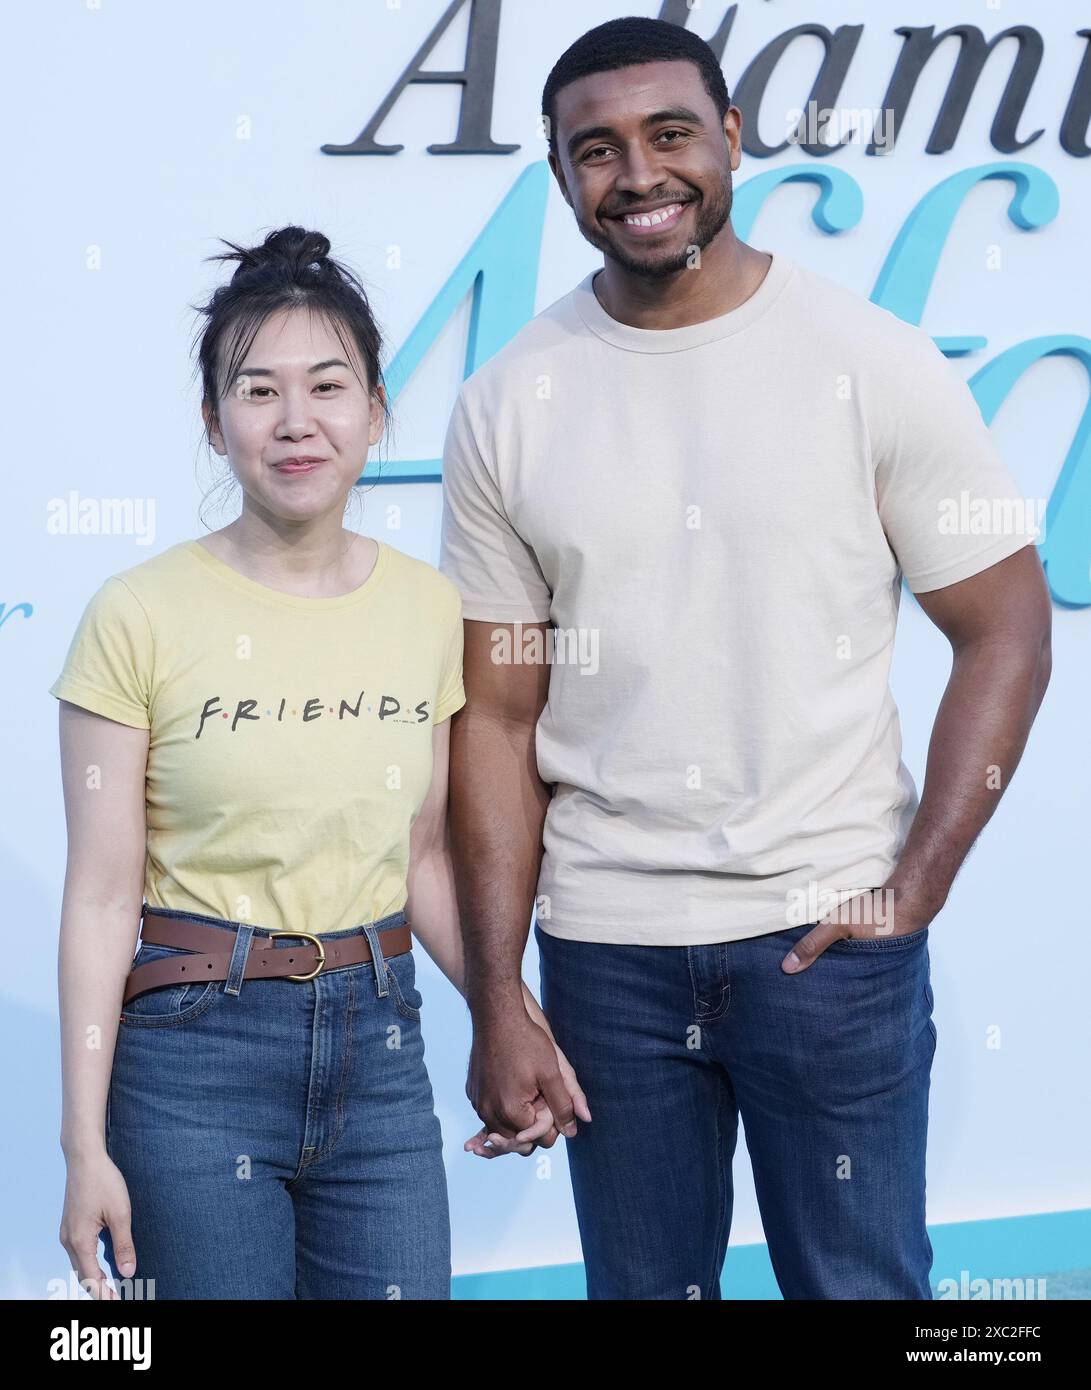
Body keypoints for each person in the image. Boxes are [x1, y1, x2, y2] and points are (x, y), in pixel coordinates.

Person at [441, 18, 1052, 1299]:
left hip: (825, 943)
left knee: (862, 1292)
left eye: (670, 134)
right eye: (594, 150)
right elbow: (494, 717)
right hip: (606, 952)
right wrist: (497, 992)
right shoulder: (509, 400)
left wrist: (918, 879)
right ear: (559, 179)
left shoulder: (869, 360)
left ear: (730, 139)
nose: (638, 174)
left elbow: (1004, 625)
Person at [53, 225, 584, 1301]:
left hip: (379, 1053)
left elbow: (425, 858)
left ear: (375, 411)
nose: (295, 421)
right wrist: (81, 1148)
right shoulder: (136, 614)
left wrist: (511, 1016)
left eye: (327, 387)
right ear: (214, 423)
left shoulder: (428, 608)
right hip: (193, 1057)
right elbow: (104, 897)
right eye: (257, 392)